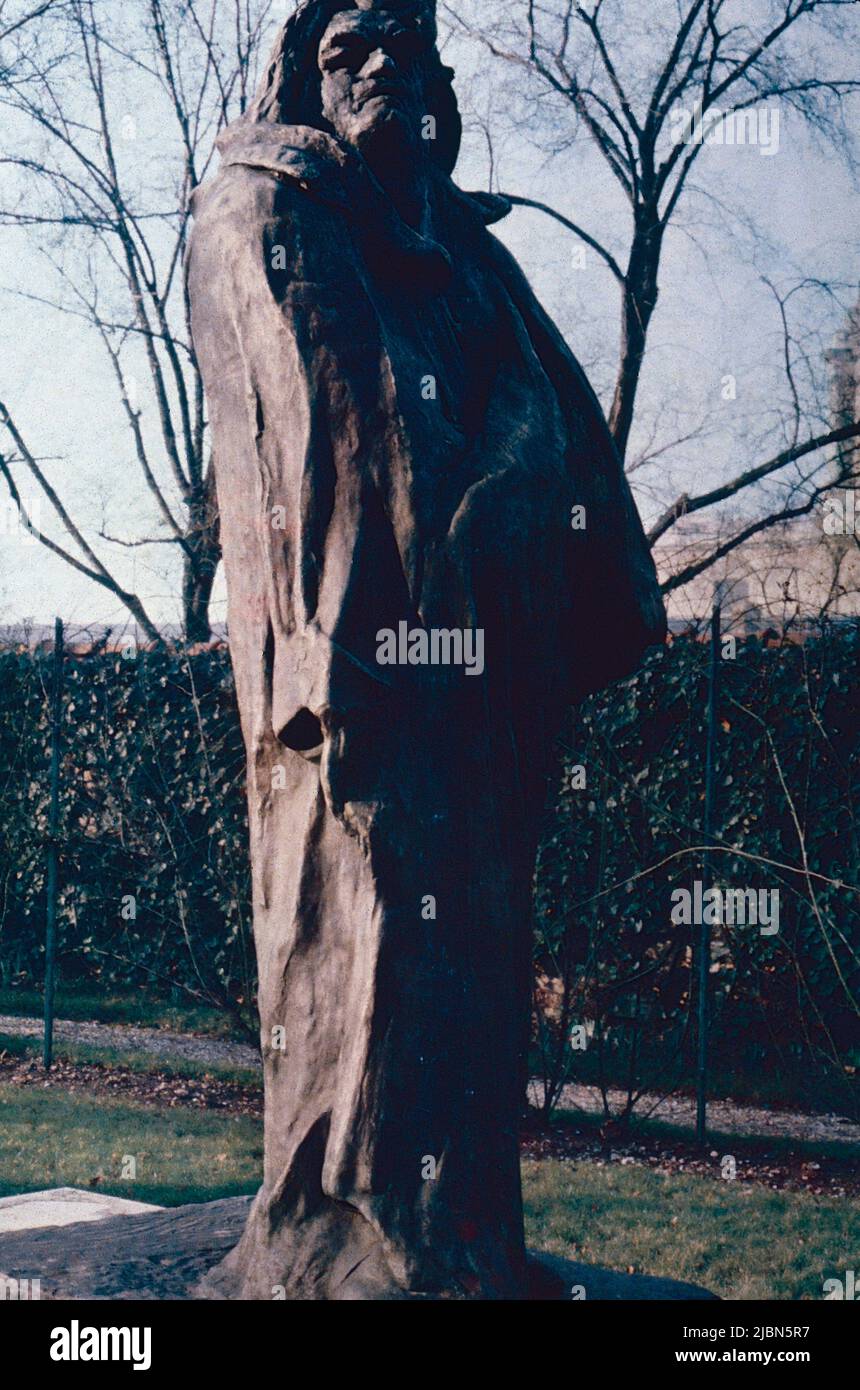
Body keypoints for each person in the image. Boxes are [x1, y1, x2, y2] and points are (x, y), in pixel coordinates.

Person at [187, 0, 665, 1300]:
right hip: (357, 691)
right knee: (370, 928)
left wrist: (511, 489)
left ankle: (449, 1233)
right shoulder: (266, 212)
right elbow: (330, 431)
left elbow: (551, 422)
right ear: (305, 70)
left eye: (414, 43)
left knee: (476, 942)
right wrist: (391, 604)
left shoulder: (459, 249)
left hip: (487, 684)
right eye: (355, 48)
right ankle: (347, 1230)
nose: (394, 68)